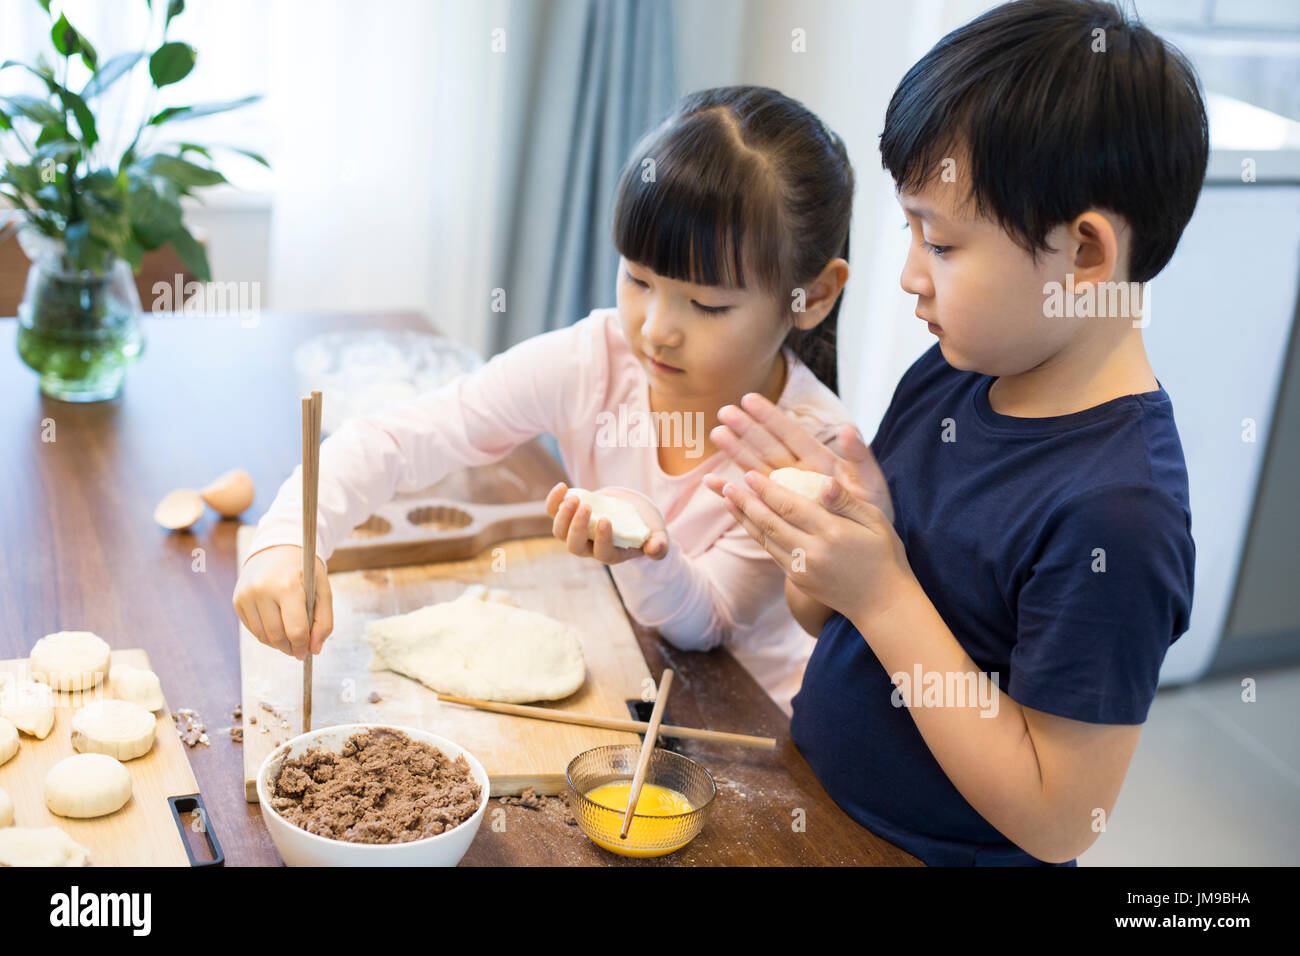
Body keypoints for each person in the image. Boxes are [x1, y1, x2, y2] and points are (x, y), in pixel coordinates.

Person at [706, 0, 1205, 863]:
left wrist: (885, 591)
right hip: (808, 801)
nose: (906, 276)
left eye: (938, 242)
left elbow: (1058, 820)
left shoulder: (1120, 513)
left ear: (1085, 254)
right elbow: (828, 623)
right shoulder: (951, 375)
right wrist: (830, 541)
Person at [233, 85, 855, 714]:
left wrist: (640, 544)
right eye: (638, 280)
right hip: (640, 673)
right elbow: (401, 437)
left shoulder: (810, 449)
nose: (656, 328)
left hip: (751, 724)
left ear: (816, 296)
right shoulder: (595, 360)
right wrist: (288, 537)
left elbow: (705, 628)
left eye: (708, 305)